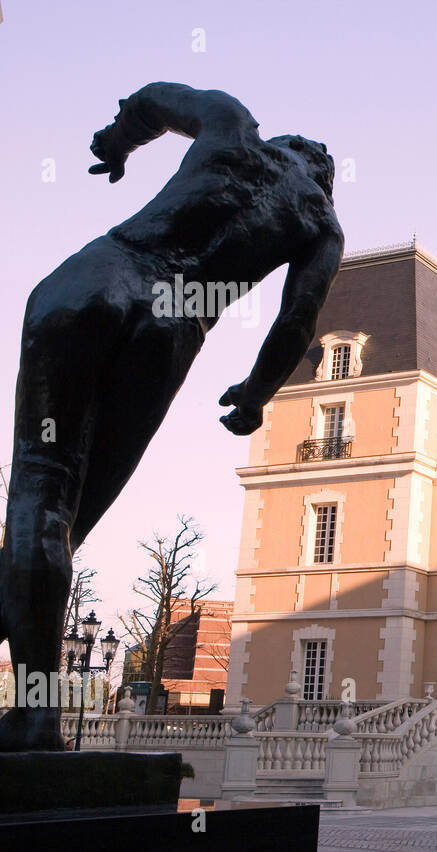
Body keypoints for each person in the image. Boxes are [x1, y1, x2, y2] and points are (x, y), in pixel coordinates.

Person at [0, 83, 344, 750]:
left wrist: (114, 142)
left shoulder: (236, 126)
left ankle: (35, 712)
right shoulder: (318, 224)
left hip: (102, 276)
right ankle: (37, 712)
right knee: (61, 522)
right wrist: (253, 393)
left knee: (41, 489)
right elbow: (296, 321)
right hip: (169, 328)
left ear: (287, 146)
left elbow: (154, 100)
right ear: (321, 179)